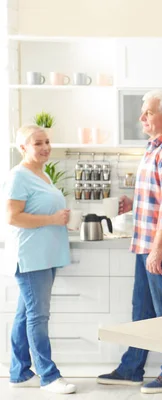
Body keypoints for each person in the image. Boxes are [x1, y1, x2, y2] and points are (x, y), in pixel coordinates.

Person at [97, 90, 162, 394]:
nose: (142, 118)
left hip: (158, 247)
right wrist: (133, 202)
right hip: (146, 244)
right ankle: (132, 367)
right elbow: (156, 197)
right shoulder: (154, 148)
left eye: (148, 113)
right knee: (142, 311)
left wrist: (158, 249)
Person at [3, 124, 76, 394]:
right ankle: (48, 376)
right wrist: (52, 219)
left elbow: (38, 208)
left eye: (47, 142)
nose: (45, 147)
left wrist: (60, 219)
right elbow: (13, 217)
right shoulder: (19, 176)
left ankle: (20, 373)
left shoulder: (41, 174)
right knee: (37, 317)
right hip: (31, 257)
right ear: (23, 148)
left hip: (44, 255)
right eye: (38, 143)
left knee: (26, 315)